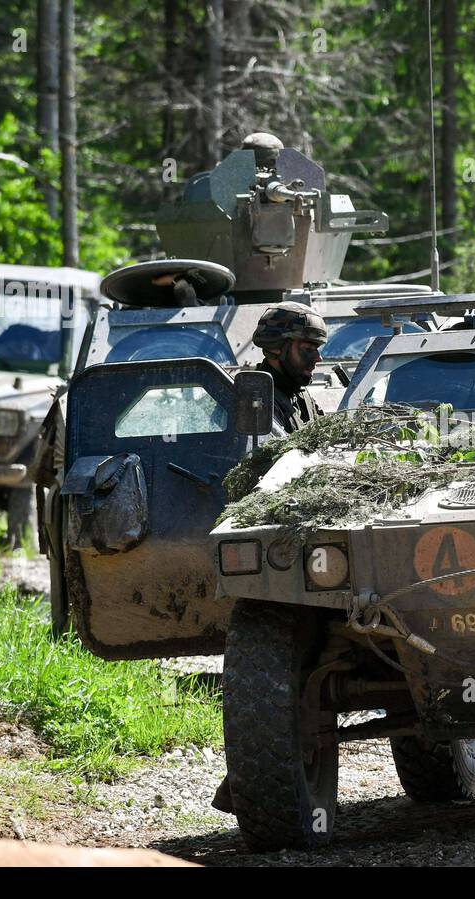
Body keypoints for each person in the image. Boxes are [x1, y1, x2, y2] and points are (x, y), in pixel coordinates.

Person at [211, 300, 327, 816]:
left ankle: (257, 782)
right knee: (285, 663)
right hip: (278, 548)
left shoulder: (300, 399)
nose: (315, 360)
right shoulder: (254, 401)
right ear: (277, 350)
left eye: (318, 349)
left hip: (307, 536)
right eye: (307, 349)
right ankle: (255, 782)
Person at [251, 300, 328, 435]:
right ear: (276, 347)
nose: (318, 358)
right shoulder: (257, 401)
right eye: (308, 349)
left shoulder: (298, 393)